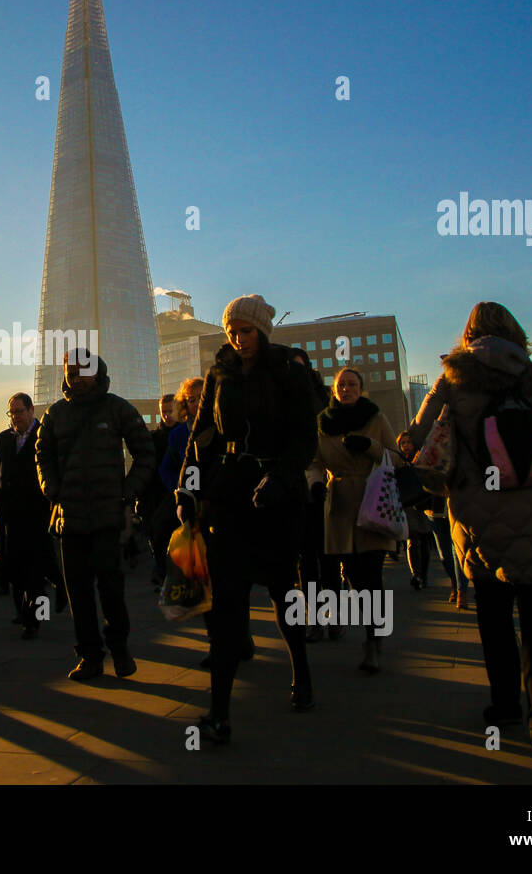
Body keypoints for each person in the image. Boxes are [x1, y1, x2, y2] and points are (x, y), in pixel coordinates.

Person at [406, 302, 532, 750]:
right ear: (516, 333)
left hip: (481, 510)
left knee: (495, 619)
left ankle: (505, 707)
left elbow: (418, 436)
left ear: (469, 334)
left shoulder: (452, 376)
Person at [174, 296, 318, 742]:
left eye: (246, 331)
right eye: (232, 331)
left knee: (281, 590)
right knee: (226, 604)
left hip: (276, 497)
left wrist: (282, 476)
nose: (238, 339)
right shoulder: (220, 372)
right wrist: (187, 486)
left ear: (263, 331)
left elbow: (304, 437)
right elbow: (201, 437)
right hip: (231, 494)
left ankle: (302, 672)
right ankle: (219, 713)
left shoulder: (288, 371)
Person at [36, 348, 155, 680]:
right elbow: (41, 453)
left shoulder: (118, 409)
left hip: (107, 515)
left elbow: (146, 453)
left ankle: (119, 648)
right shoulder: (55, 414)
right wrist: (52, 489)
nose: (76, 378)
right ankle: (89, 656)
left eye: (83, 371)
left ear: (98, 372)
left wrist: (127, 491)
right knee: (78, 592)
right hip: (68, 516)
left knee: (111, 588)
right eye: (70, 373)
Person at [313, 366, 400, 675]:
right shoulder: (323, 424)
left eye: (352, 384)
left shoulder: (375, 418)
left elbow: (397, 457)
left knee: (372, 575)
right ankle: (370, 629)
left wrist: (371, 447)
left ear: (361, 388)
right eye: (341, 384)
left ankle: (373, 642)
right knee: (351, 575)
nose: (346, 388)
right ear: (334, 389)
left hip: (372, 499)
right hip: (338, 506)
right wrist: (314, 483)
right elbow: (314, 463)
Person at [0, 393, 53, 640]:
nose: (15, 417)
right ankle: (28, 610)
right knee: (12, 568)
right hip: (9, 516)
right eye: (12, 413)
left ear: (31, 410)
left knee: (34, 571)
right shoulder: (3, 440)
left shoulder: (44, 436)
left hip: (36, 516)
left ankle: (33, 619)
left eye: (19, 412)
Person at [290, 349, 342, 642]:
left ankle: (334, 617)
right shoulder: (283, 399)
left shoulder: (322, 397)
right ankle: (314, 618)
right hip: (296, 487)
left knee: (329, 557)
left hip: (323, 484)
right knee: (305, 561)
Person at [140, 394, 178, 587]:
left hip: (176, 495)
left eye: (170, 411)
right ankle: (165, 575)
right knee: (159, 537)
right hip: (157, 496)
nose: (167, 416)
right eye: (164, 412)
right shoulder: (154, 438)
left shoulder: (184, 435)